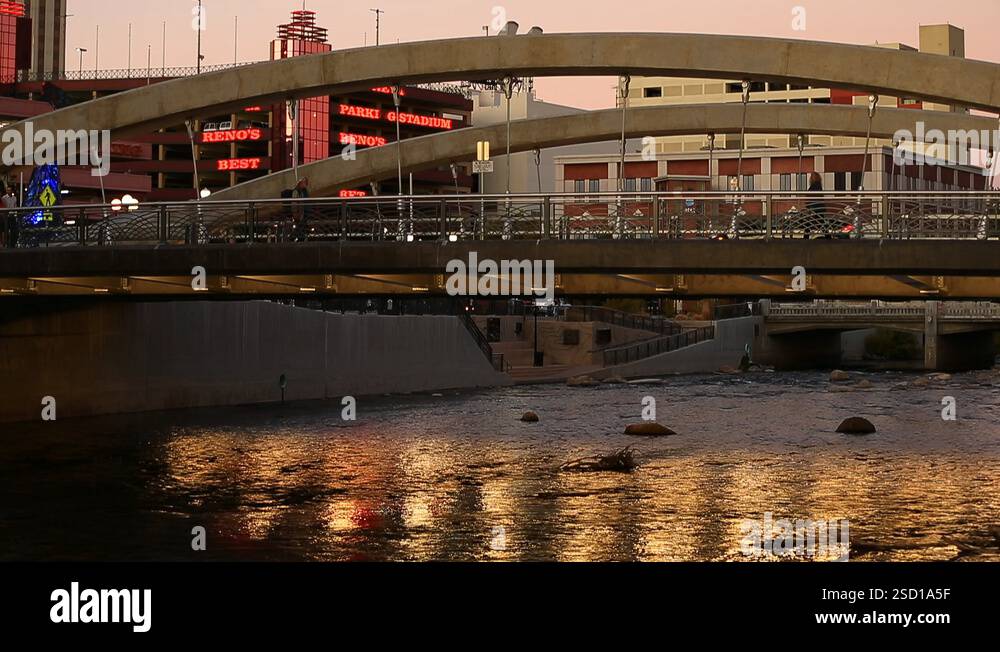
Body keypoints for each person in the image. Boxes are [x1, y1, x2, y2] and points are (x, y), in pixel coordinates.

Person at [805, 172, 825, 238]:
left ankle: (805, 237)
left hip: (814, 208)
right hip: (819, 208)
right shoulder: (819, 186)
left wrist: (808, 206)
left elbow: (809, 197)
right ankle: (828, 236)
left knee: (808, 223)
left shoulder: (813, 186)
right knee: (821, 223)